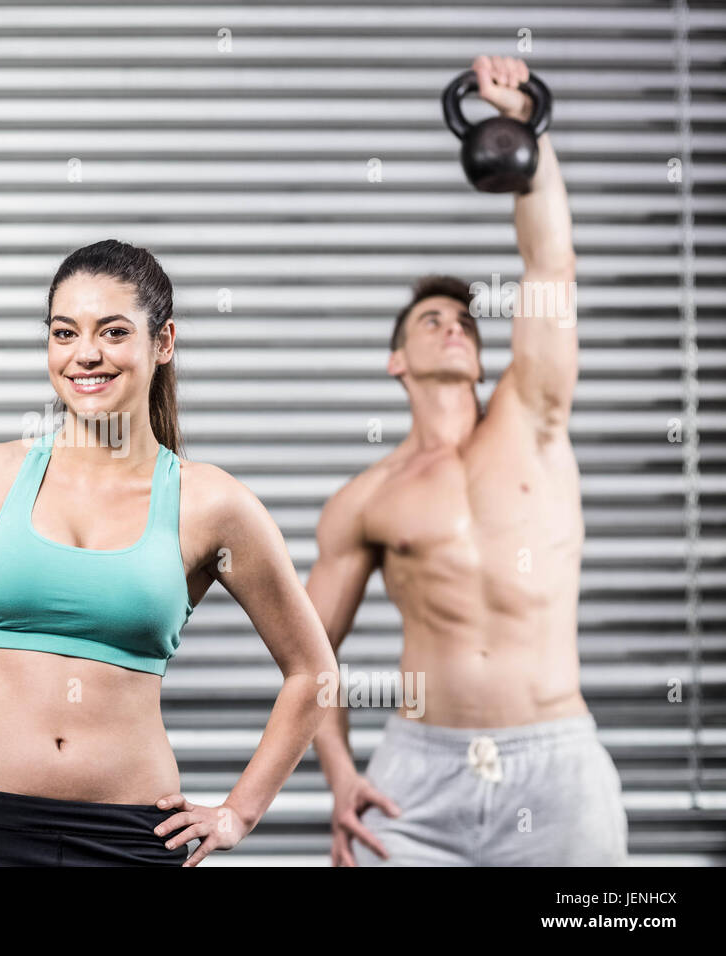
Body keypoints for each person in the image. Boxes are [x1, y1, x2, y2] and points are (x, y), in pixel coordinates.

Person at [0, 239, 337, 866]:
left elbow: (313, 673)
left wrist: (238, 812)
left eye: (113, 331)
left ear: (163, 342)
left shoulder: (210, 503)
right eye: (64, 331)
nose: (86, 354)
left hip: (127, 838)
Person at [307, 56, 627, 866]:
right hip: (418, 776)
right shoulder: (365, 502)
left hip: (557, 766)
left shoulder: (535, 420)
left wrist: (526, 130)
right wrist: (340, 774)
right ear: (395, 363)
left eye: (463, 321)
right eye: (430, 320)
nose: (453, 327)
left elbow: (550, 268)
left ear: (483, 355)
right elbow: (308, 655)